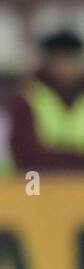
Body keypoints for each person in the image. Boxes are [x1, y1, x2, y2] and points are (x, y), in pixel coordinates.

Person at [8, 30, 84, 172]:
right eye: (59, 60)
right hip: (35, 184)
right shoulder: (28, 98)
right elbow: (26, 153)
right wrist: (75, 158)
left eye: (70, 60)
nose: (65, 68)